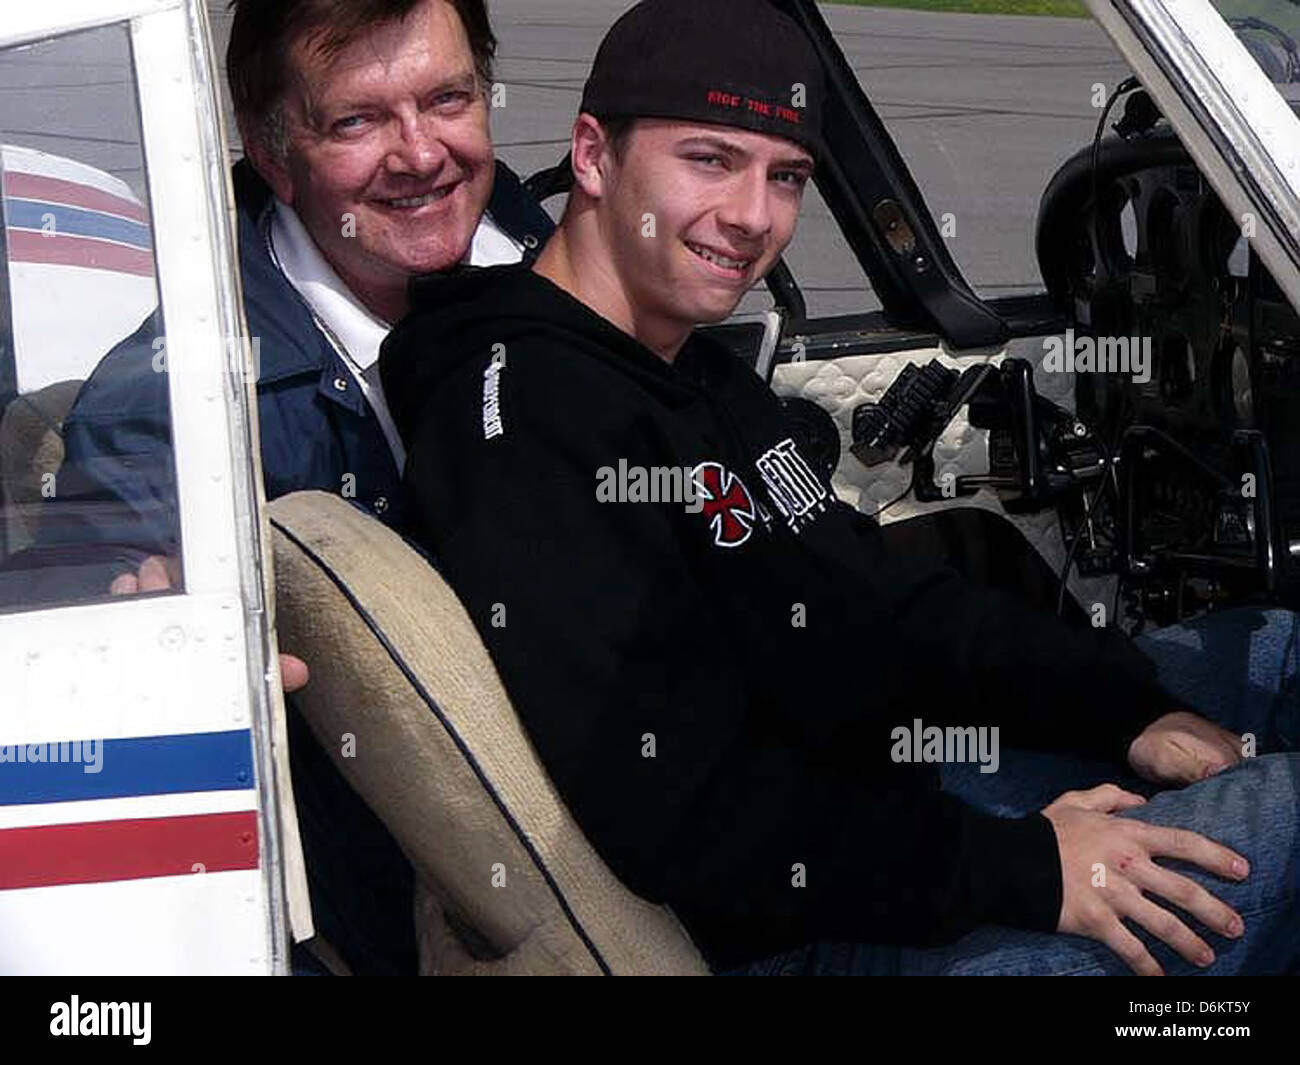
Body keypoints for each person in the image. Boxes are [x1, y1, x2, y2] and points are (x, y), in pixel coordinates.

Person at [380, 0, 1300, 975]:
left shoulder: (688, 370)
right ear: (595, 156)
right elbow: (684, 813)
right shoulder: (533, 420)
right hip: (799, 930)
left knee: (1274, 652)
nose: (752, 217)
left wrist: (1122, 711)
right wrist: (1028, 865)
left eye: (785, 177)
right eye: (708, 159)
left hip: (891, 804)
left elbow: (880, 602)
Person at [44, 0, 554, 974]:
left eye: (447, 98)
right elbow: (86, 674)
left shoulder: (544, 258)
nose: (421, 155)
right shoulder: (166, 414)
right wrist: (139, 652)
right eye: (358, 121)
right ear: (274, 155)